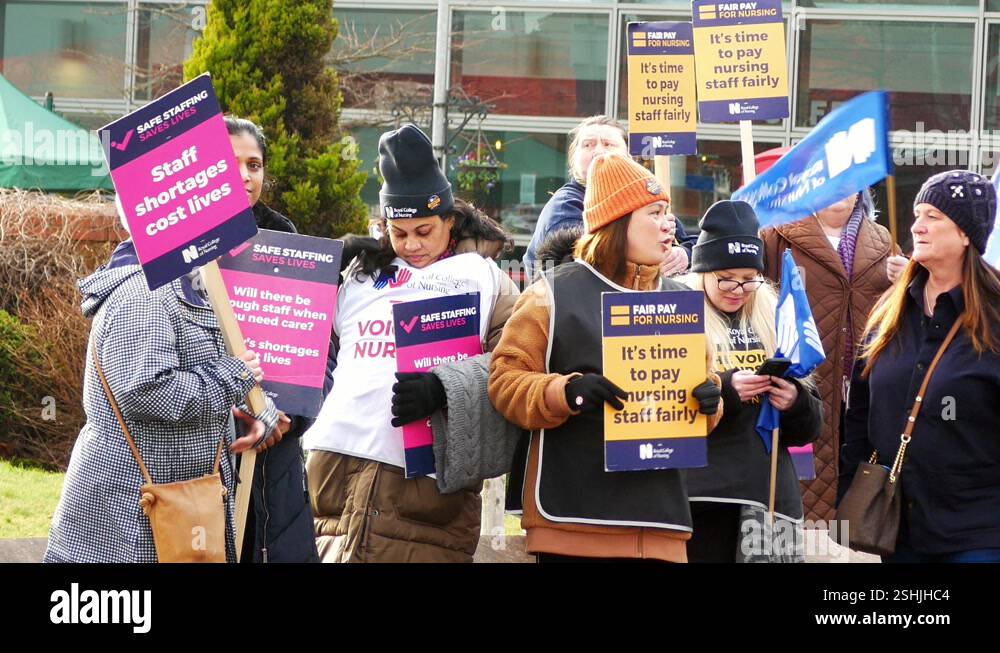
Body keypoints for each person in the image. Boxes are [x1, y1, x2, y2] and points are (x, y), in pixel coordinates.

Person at [489, 153, 723, 563]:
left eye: (668, 212)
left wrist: (711, 401)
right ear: (616, 222)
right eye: (654, 212)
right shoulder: (551, 294)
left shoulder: (682, 299)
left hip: (660, 523)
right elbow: (504, 381)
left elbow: (702, 400)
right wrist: (565, 391)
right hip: (570, 520)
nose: (668, 224)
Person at [303, 124, 519, 563]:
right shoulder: (360, 277)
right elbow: (306, 353)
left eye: (425, 230)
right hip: (336, 479)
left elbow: (517, 363)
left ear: (450, 222)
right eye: (399, 233)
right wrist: (322, 274)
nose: (412, 244)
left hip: (426, 492)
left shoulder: (486, 280)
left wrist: (446, 388)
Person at [43, 202, 280, 563]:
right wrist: (234, 376)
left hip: (177, 511)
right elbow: (148, 391)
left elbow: (217, 373)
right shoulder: (144, 295)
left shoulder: (193, 286)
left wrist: (256, 416)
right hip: (128, 525)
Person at [840, 170, 1000, 563]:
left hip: (978, 528)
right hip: (898, 528)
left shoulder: (994, 321)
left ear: (966, 233)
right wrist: (852, 489)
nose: (918, 226)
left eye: (933, 216)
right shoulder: (889, 314)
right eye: (916, 214)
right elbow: (859, 412)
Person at [681, 200, 823, 562]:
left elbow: (809, 428)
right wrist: (726, 389)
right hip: (700, 498)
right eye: (725, 277)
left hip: (768, 495)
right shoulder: (678, 316)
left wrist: (793, 401)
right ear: (702, 273)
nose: (737, 288)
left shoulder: (776, 318)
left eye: (749, 279)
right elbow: (659, 408)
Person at [760, 190, 898, 522]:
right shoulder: (777, 236)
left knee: (855, 498)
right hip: (801, 388)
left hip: (863, 389)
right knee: (802, 487)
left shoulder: (884, 243)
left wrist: (909, 276)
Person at [225, 116, 319, 563]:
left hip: (274, 467)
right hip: (203, 451)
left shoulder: (289, 243)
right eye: (232, 162)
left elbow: (319, 353)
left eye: (255, 164)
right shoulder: (179, 254)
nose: (245, 175)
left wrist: (292, 418)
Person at [523, 115, 694, 279]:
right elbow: (593, 256)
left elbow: (696, 243)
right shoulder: (565, 205)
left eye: (608, 144)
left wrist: (684, 254)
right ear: (573, 158)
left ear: (630, 156)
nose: (598, 151)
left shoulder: (641, 200)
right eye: (588, 145)